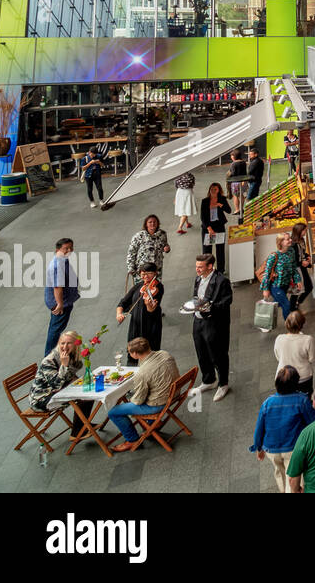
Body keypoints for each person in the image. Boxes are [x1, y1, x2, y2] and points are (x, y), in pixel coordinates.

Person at [250, 365, 315, 492]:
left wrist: (258, 447)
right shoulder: (301, 400)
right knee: (294, 478)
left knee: (280, 473)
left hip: (271, 449)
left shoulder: (267, 403)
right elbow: (313, 423)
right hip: (292, 448)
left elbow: (259, 428)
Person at [108, 338, 179, 452]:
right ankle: (152, 424)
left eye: (129, 352)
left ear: (135, 354)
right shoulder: (165, 354)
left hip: (159, 403)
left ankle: (132, 440)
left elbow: (139, 400)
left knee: (113, 412)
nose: (129, 354)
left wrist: (130, 399)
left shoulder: (143, 373)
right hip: (175, 394)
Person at [187, 252, 233, 401]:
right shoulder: (197, 279)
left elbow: (226, 302)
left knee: (218, 354)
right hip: (199, 321)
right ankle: (209, 380)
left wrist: (208, 308)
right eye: (196, 266)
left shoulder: (222, 281)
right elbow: (196, 297)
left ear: (210, 266)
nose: (197, 270)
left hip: (214, 323)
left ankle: (223, 384)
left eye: (200, 267)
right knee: (201, 352)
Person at [29, 330, 88, 435]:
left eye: (69, 343)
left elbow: (71, 376)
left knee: (88, 392)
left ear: (75, 345)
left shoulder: (73, 356)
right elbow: (55, 385)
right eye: (62, 343)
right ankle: (79, 432)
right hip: (42, 399)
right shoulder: (49, 360)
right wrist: (64, 366)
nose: (65, 346)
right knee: (81, 396)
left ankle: (82, 426)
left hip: (58, 390)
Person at [116, 262, 163, 365]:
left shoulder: (158, 287)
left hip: (150, 324)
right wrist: (119, 314)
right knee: (132, 352)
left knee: (151, 353)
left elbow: (151, 311)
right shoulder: (138, 286)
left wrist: (149, 306)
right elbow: (123, 302)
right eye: (142, 274)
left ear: (155, 273)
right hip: (135, 324)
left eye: (148, 274)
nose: (145, 277)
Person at [44, 238, 80, 357]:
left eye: (71, 247)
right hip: (61, 304)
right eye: (66, 248)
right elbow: (57, 287)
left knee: (56, 329)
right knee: (55, 331)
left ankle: (53, 355)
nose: (69, 250)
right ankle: (49, 358)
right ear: (58, 249)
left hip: (64, 301)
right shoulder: (57, 265)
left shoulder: (62, 260)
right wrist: (60, 304)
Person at [259, 231, 301, 325]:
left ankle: (264, 319)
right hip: (275, 286)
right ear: (280, 242)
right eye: (287, 239)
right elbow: (267, 274)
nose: (290, 240)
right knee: (286, 304)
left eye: (290, 238)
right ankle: (290, 327)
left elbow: (294, 267)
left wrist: (298, 279)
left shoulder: (291, 251)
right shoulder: (273, 256)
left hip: (285, 284)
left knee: (278, 302)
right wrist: (265, 289)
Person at [274, 311, 315, 395]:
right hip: (303, 377)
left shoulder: (279, 338)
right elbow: (312, 359)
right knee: (306, 399)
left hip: (283, 378)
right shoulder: (308, 339)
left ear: (286, 323)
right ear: (301, 325)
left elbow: (278, 357)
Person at [125, 214, 171, 285]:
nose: (152, 224)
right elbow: (131, 252)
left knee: (155, 290)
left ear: (158, 223)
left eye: (154, 222)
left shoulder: (162, 234)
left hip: (156, 269)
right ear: (146, 224)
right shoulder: (139, 236)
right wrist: (130, 268)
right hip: (142, 271)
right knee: (142, 291)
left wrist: (167, 249)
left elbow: (164, 245)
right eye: (150, 222)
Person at [200, 182, 229, 274]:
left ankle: (220, 270)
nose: (213, 191)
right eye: (212, 189)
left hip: (219, 227)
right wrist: (209, 228)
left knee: (220, 250)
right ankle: (208, 270)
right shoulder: (205, 201)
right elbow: (202, 217)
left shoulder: (222, 199)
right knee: (207, 251)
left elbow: (229, 210)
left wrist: (221, 205)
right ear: (209, 190)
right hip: (208, 228)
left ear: (219, 191)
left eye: (215, 189)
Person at [286, 221, 313, 311]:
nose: (305, 232)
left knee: (309, 287)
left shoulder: (301, 240)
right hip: (296, 269)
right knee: (297, 290)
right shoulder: (292, 244)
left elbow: (301, 253)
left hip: (302, 267)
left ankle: (298, 303)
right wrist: (302, 262)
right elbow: (291, 260)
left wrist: (307, 256)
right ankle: (292, 310)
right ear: (299, 231)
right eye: (304, 231)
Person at [80, 143, 106, 208]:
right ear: (89, 152)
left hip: (97, 174)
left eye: (95, 154)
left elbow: (103, 165)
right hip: (88, 176)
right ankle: (92, 202)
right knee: (89, 189)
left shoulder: (99, 156)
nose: (93, 155)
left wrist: (99, 162)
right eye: (92, 154)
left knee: (99, 188)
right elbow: (83, 168)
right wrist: (90, 163)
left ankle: (101, 200)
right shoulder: (84, 158)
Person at [227, 149, 248, 214]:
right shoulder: (243, 162)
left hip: (235, 182)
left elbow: (233, 173)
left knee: (235, 195)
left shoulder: (233, 164)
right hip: (244, 181)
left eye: (232, 156)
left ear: (234, 156)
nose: (231, 157)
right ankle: (241, 208)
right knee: (241, 195)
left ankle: (237, 209)